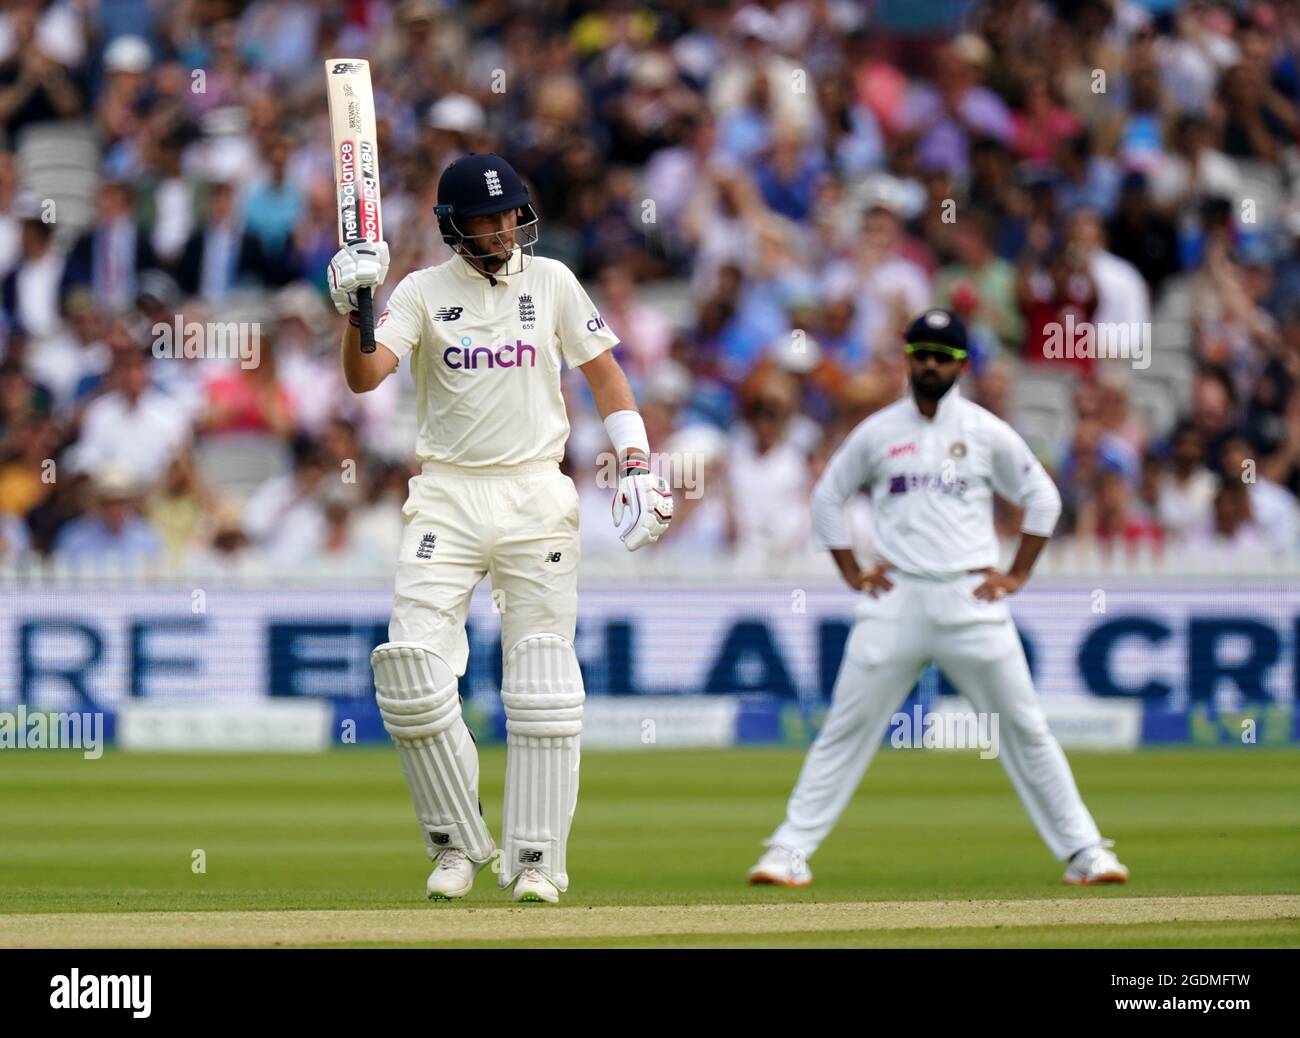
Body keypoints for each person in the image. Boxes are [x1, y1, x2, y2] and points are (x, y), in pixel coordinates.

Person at [328, 153, 673, 904]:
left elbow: (606, 374)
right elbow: (364, 375)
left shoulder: (552, 281)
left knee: (544, 681)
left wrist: (637, 463)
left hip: (534, 495)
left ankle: (539, 863)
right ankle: (457, 844)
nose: (503, 228)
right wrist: (355, 308)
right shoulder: (419, 292)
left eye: (510, 213)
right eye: (485, 219)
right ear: (453, 227)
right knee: (410, 671)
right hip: (447, 496)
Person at [748, 309, 1128, 889]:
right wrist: (852, 571)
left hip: (969, 597)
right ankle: (786, 852)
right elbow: (827, 498)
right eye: (921, 353)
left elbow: (1043, 498)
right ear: (907, 358)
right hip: (895, 597)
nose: (930, 364)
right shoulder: (878, 431)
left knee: (1025, 728)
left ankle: (1086, 851)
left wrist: (1016, 575)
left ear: (961, 364)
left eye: (942, 356)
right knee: (845, 730)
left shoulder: (983, 430)